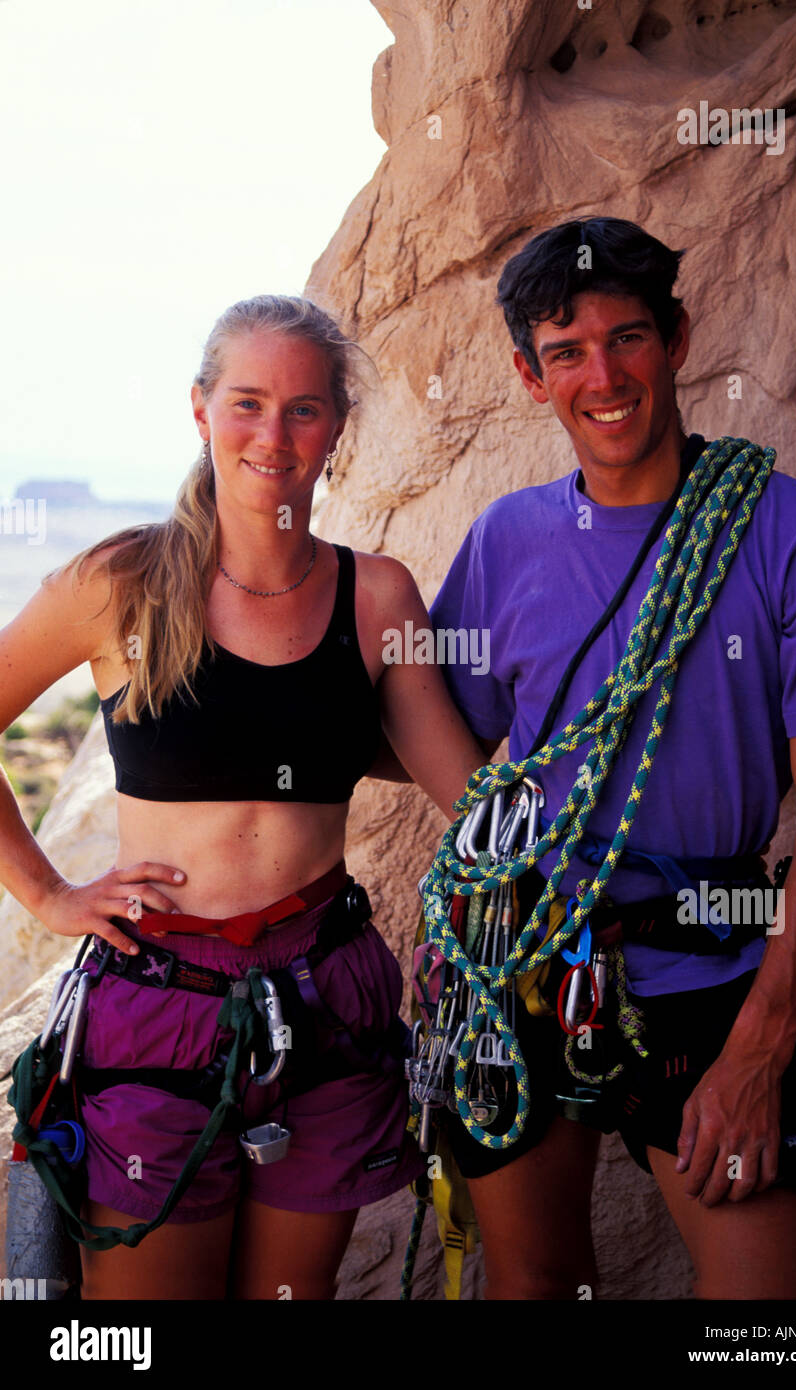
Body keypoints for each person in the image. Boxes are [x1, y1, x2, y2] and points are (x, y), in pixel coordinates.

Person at [0, 294, 484, 1301]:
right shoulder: (120, 584)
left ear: (338, 426)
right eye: (249, 403)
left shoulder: (376, 595)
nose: (275, 434)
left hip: (327, 999)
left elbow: (473, 799)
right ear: (200, 409)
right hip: (158, 1009)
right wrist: (48, 896)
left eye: (305, 408)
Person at [426, 217, 796, 1300]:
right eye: (567, 352)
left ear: (675, 338)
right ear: (533, 377)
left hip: (713, 977)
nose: (604, 375)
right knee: (532, 1285)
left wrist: (764, 1046)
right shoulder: (505, 540)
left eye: (627, 338)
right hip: (527, 963)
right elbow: (431, 725)